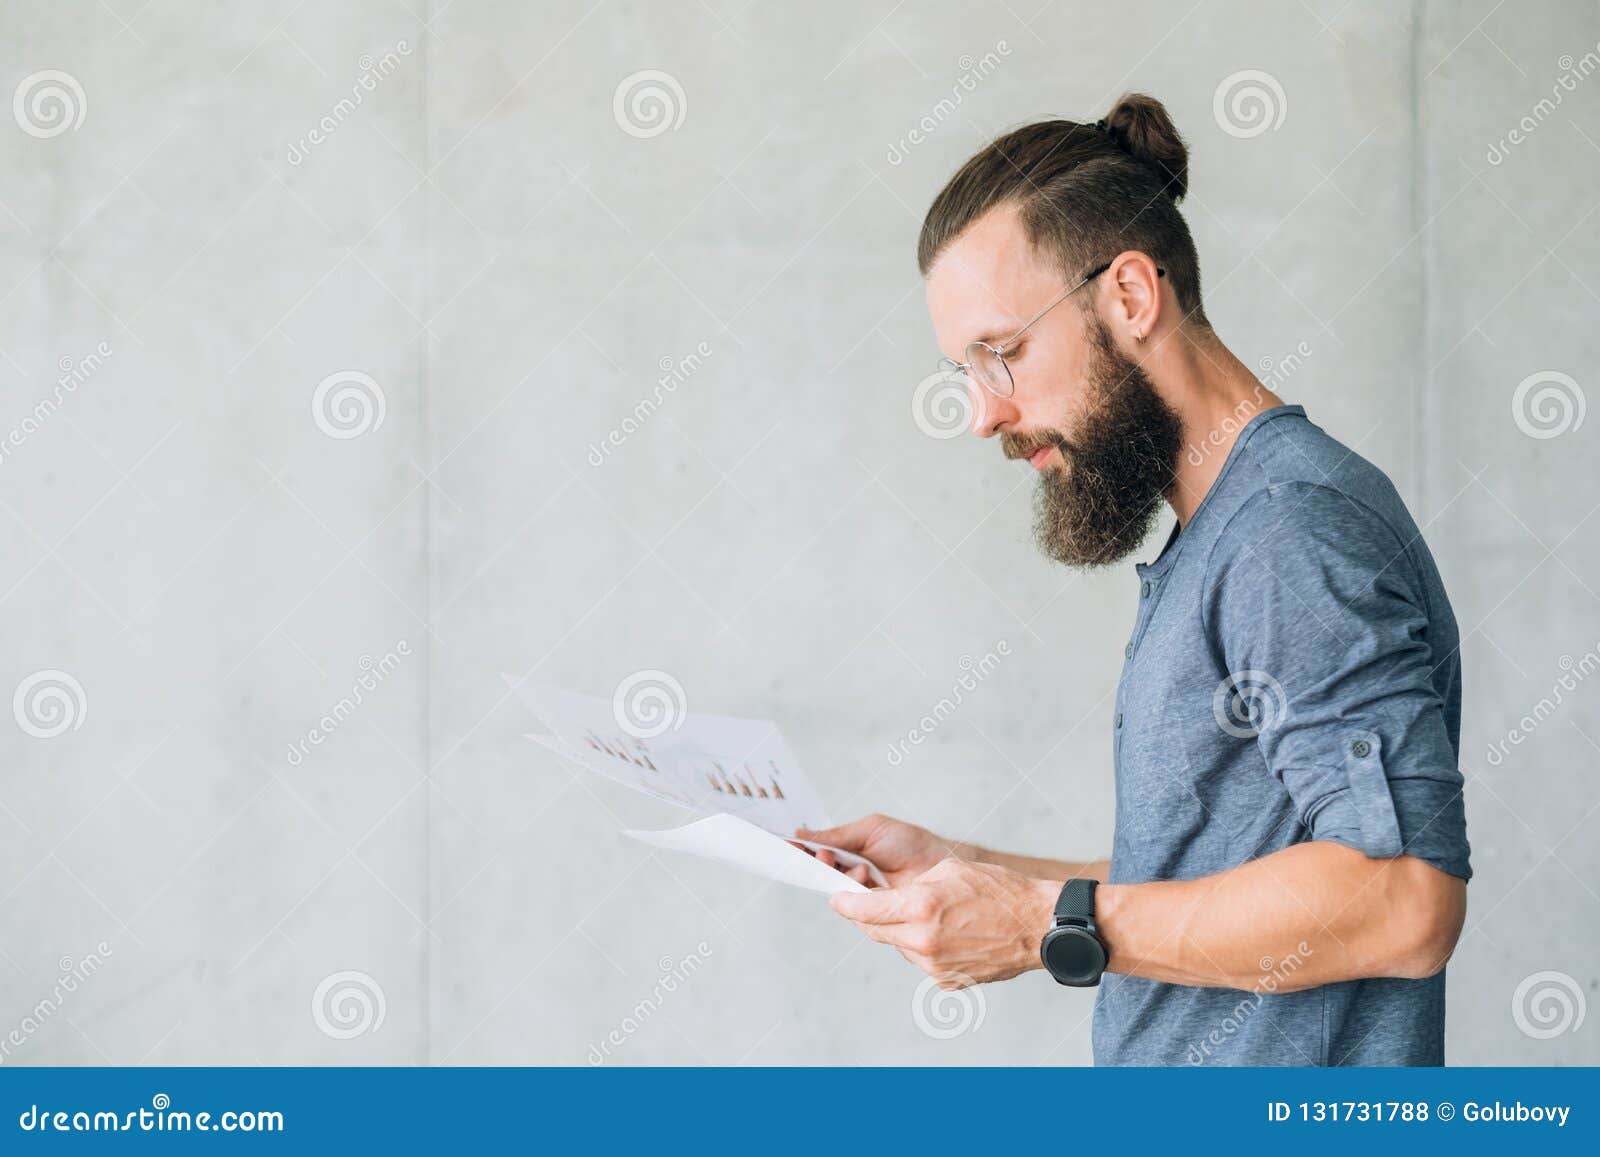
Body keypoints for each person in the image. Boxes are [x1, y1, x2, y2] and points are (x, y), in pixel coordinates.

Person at [799, 93, 1471, 1066]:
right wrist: (980, 874)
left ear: (1128, 296)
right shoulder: (1231, 530)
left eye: (1003, 353)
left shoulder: (1285, 531)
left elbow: (1403, 898)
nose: (985, 415)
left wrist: (1042, 923)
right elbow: (1222, 877)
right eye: (966, 373)